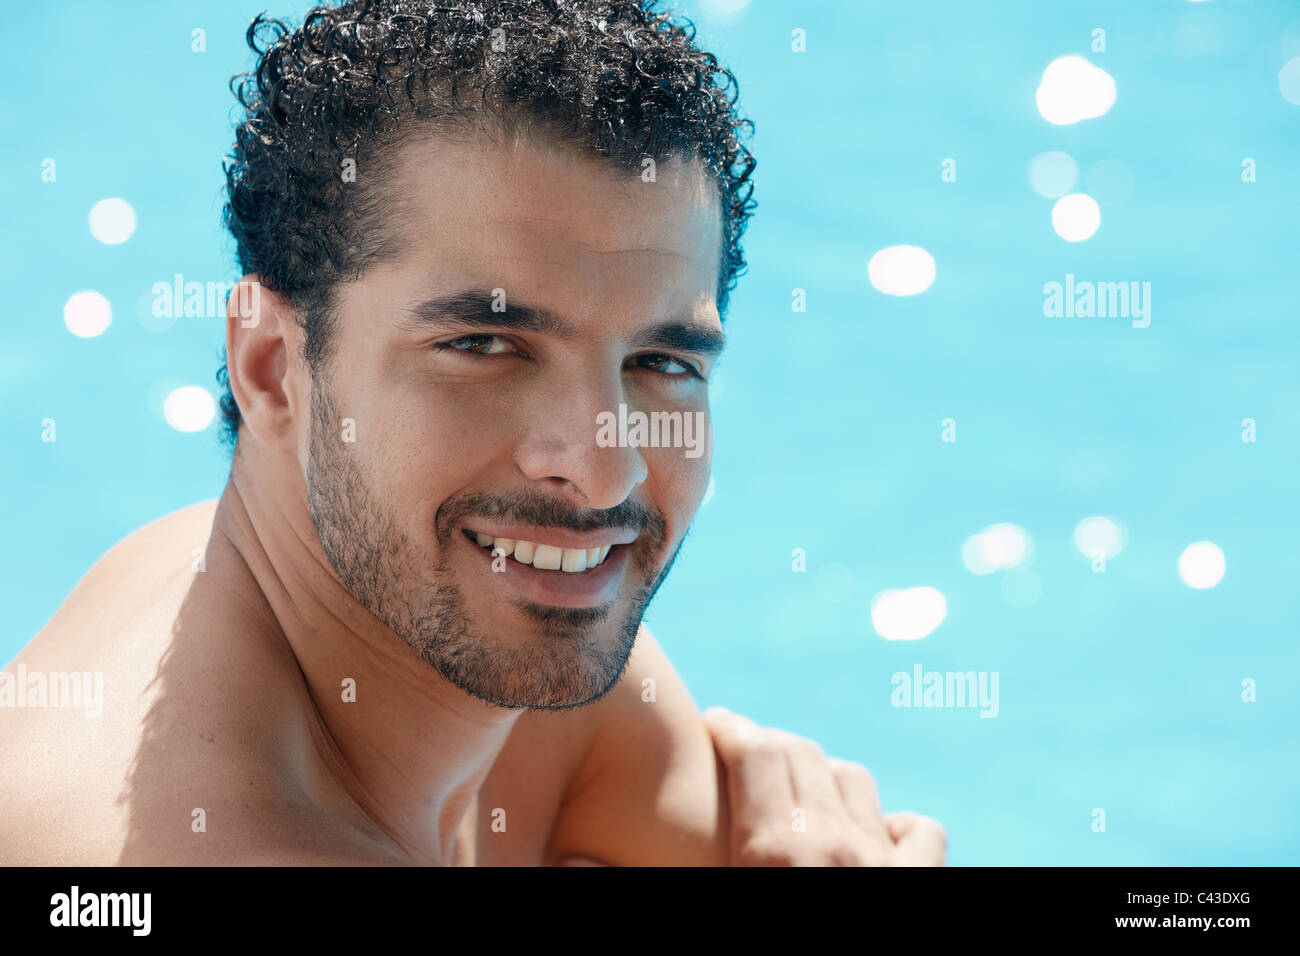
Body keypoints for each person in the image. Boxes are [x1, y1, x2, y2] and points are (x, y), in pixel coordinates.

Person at [0, 0, 945, 866]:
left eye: (664, 363)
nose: (602, 472)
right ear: (272, 368)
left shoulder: (503, 631)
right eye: (485, 344)